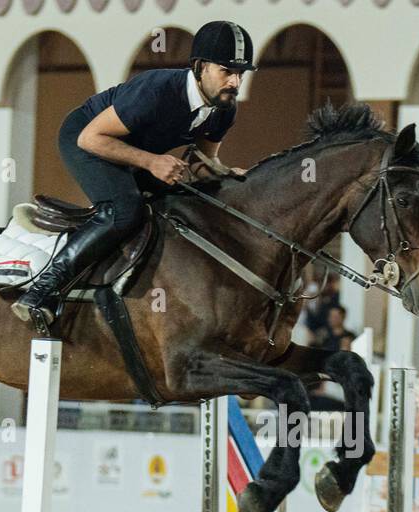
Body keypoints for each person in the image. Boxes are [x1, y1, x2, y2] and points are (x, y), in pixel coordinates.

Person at [13, 21, 256, 327]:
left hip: (136, 153)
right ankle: (42, 289)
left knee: (187, 202)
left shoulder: (225, 108)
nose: (235, 81)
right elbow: (90, 139)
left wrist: (228, 175)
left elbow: (202, 162)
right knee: (124, 211)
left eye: (241, 73)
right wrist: (153, 162)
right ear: (201, 67)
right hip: (86, 138)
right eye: (227, 71)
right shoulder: (157, 90)